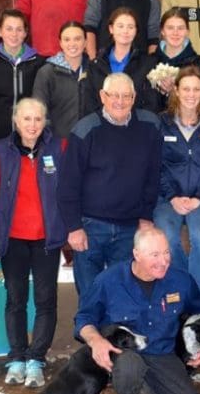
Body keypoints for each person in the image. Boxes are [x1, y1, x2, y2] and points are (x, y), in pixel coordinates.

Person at [76, 228, 200, 394]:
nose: (164, 261)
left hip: (162, 354)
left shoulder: (181, 281)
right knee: (130, 365)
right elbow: (84, 318)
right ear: (136, 254)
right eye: (155, 255)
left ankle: (148, 390)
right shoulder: (109, 280)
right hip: (125, 353)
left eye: (166, 252)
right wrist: (95, 340)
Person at [0, 97, 66, 389]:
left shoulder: (59, 148)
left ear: (45, 122)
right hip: (12, 237)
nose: (32, 125)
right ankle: (17, 356)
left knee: (46, 299)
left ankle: (36, 358)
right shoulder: (0, 151)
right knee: (15, 298)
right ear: (16, 121)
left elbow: (68, 190)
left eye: (37, 119)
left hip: (47, 238)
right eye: (26, 119)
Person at [58, 73, 161, 294]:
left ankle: (115, 330)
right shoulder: (85, 130)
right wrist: (74, 228)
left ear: (134, 98)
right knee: (89, 294)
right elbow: (68, 184)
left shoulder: (149, 127)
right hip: (90, 226)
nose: (120, 101)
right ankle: (87, 329)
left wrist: (146, 217)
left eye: (126, 96)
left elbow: (153, 177)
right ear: (103, 96)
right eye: (114, 95)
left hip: (129, 227)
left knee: (122, 293)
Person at [153, 65, 200, 291]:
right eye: (186, 89)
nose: (191, 95)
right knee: (169, 239)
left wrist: (199, 198)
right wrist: (173, 196)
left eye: (196, 90)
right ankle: (182, 290)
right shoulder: (161, 123)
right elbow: (156, 166)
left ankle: (196, 297)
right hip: (167, 198)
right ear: (176, 90)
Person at [0, 9, 45, 155]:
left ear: (25, 33)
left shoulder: (38, 63)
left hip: (30, 137)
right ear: (0, 31)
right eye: (9, 29)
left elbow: (42, 103)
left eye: (19, 29)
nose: (14, 34)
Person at [79, 8, 159, 117]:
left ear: (136, 31)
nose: (125, 31)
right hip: (101, 127)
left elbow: (152, 103)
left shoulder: (148, 64)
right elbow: (89, 104)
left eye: (130, 27)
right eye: (120, 26)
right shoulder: (96, 64)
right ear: (111, 29)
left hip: (136, 126)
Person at [32, 20, 87, 139]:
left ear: (85, 42)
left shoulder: (94, 70)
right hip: (57, 143)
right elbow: (39, 111)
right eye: (67, 40)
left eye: (77, 39)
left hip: (90, 142)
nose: (72, 44)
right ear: (60, 43)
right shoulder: (47, 72)